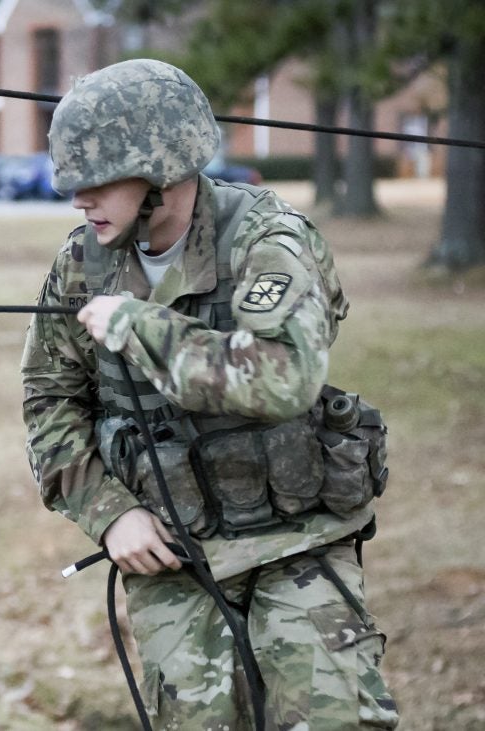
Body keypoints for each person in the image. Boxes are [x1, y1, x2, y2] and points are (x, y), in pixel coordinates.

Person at [21, 59, 399, 730]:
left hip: (298, 540)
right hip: (174, 551)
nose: (77, 197)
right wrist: (111, 515)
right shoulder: (83, 263)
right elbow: (50, 399)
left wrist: (144, 327)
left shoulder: (267, 239)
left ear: (162, 169)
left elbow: (284, 374)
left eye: (96, 179)